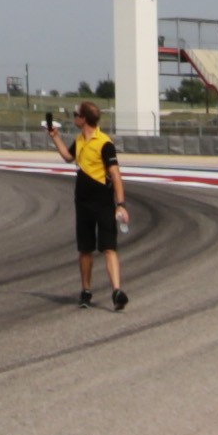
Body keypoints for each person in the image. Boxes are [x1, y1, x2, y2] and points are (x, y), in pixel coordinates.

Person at [68, 97, 127, 311]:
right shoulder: (79, 140)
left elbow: (116, 175)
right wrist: (54, 136)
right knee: (85, 249)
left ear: (84, 119)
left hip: (103, 203)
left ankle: (117, 291)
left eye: (76, 115)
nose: (74, 118)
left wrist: (121, 204)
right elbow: (67, 156)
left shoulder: (105, 143)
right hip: (82, 203)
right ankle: (86, 290)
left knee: (109, 248)